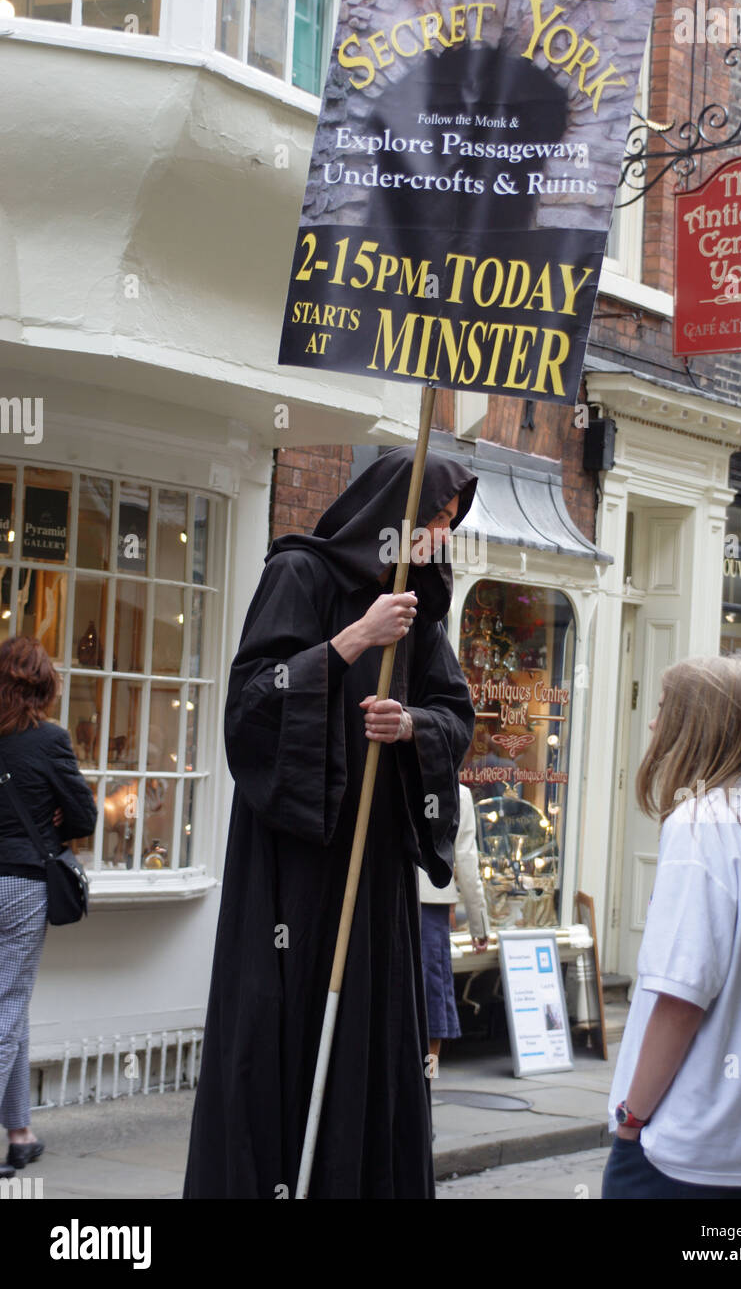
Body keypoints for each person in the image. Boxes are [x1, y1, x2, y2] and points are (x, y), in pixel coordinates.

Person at [183, 447, 477, 1199]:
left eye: (447, 527)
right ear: (392, 514)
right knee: (287, 1026)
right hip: (296, 866)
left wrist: (409, 725)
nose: (439, 539)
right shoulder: (299, 574)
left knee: (369, 1035)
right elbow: (251, 700)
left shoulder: (417, 606)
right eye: (433, 521)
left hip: (370, 867)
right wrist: (352, 643)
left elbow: (453, 714)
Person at [602, 655, 741, 1199]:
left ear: (697, 721)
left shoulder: (701, 822)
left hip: (688, 1149)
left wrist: (631, 1115)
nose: (652, 722)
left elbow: (681, 995)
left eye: (664, 708)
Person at [0, 636, 97, 1178]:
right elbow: (83, 818)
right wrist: (55, 820)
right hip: (19, 885)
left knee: (10, 1006)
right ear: (44, 684)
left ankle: (20, 1134)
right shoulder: (49, 741)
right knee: (7, 1008)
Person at [418, 783, 489, 1060]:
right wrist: (479, 924)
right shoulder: (457, 792)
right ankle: (427, 1082)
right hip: (431, 908)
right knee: (431, 1007)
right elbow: (467, 860)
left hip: (391, 902)